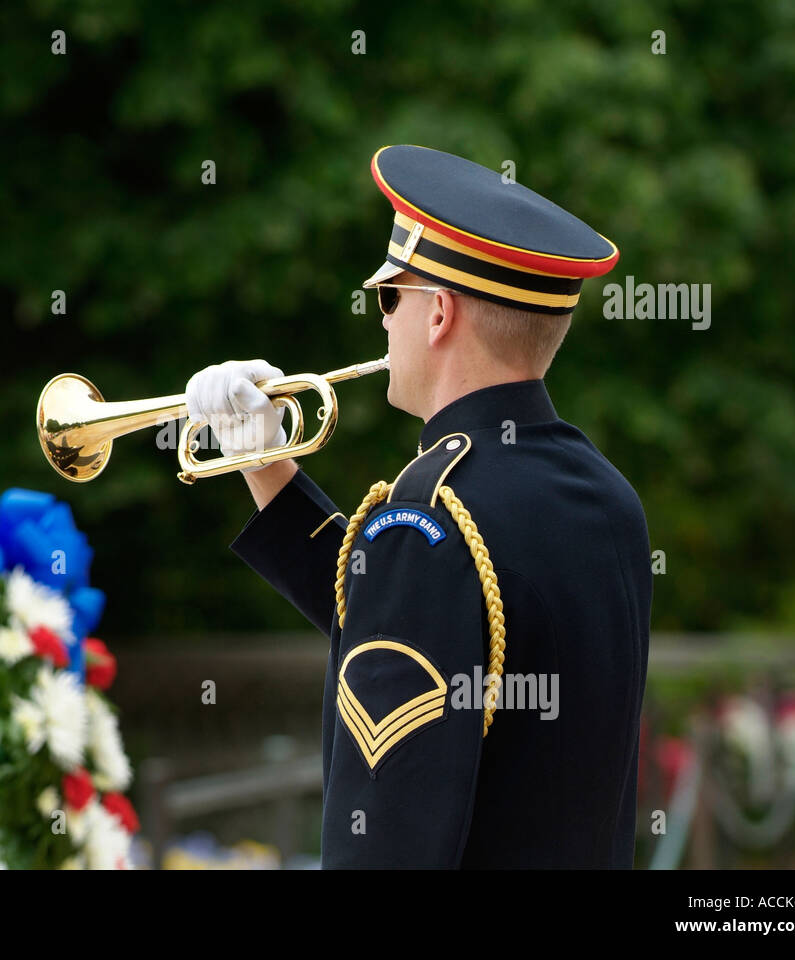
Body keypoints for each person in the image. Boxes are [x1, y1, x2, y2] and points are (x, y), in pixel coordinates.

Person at [186, 145, 651, 868]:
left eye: (388, 297)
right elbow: (418, 621)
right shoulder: (605, 498)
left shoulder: (432, 519)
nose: (383, 323)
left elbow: (386, 839)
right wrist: (265, 461)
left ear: (438, 313)